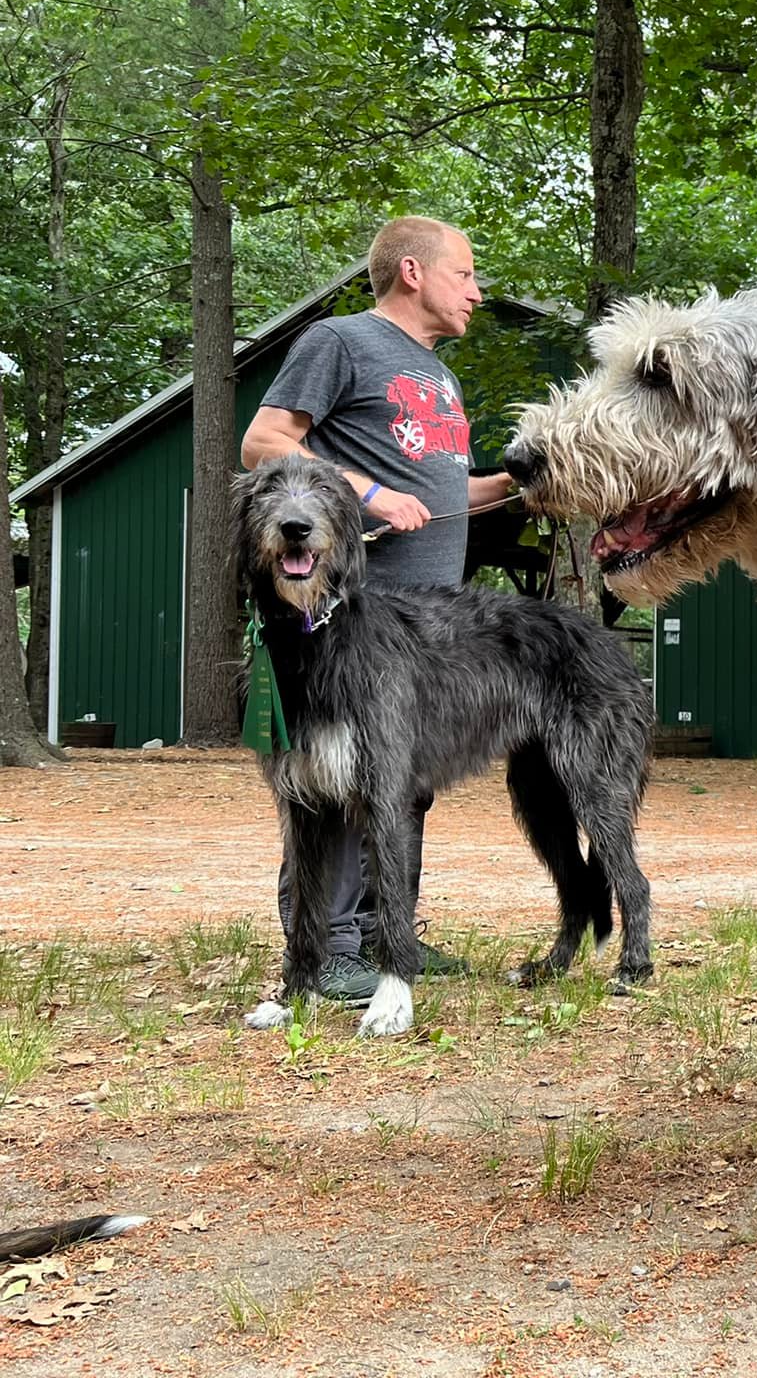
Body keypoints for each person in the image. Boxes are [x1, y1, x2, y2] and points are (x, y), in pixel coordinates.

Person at [240, 216, 518, 1007]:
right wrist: (363, 492)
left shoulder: (437, 375)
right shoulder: (343, 342)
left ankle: (389, 932)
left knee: (402, 784)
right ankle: (329, 951)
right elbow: (265, 442)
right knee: (329, 787)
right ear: (411, 272)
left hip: (427, 626)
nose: (476, 290)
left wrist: (514, 486)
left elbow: (434, 494)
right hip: (346, 620)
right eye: (464, 273)